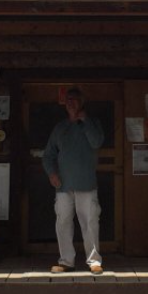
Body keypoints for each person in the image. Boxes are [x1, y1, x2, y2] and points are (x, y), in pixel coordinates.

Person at [42, 87, 105, 274]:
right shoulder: (60, 128)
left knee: (90, 222)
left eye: (75, 99)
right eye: (68, 99)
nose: (71, 103)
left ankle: (94, 261)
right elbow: (48, 156)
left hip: (86, 183)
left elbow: (97, 142)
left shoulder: (93, 123)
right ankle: (66, 261)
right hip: (63, 185)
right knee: (63, 222)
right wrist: (52, 174)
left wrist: (84, 121)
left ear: (82, 102)